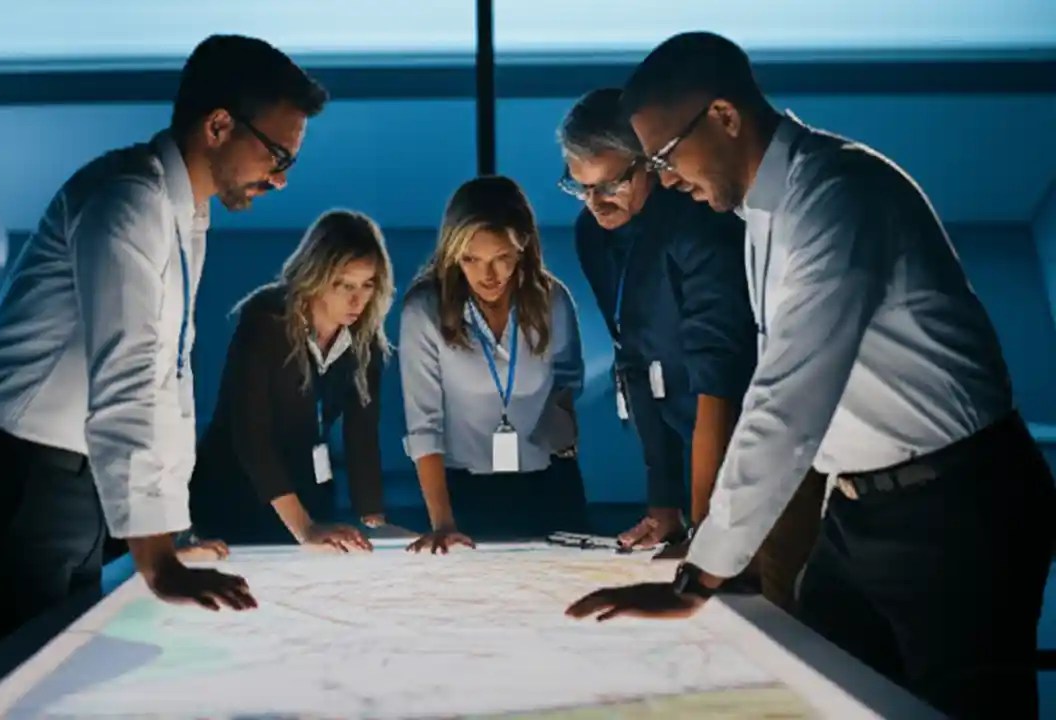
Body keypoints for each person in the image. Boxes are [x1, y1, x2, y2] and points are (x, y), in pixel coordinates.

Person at [565, 31, 1056, 719]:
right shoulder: (762, 209)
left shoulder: (836, 195)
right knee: (810, 685)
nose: (666, 180)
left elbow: (787, 400)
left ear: (725, 117)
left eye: (666, 158)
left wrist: (701, 573)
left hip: (957, 505)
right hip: (860, 508)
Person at [0, 34, 327, 674]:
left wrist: (172, 530)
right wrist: (156, 558)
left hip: (68, 481)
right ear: (219, 125)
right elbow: (129, 378)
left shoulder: (183, 211)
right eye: (277, 154)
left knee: (61, 678)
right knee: (6, 689)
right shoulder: (128, 201)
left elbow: (172, 379)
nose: (279, 178)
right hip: (16, 481)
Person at [559, 88, 824, 612]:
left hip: (760, 448)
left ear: (651, 162)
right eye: (580, 188)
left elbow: (718, 378)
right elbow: (631, 358)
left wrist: (706, 531)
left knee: (767, 612)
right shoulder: (591, 232)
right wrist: (665, 505)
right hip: (688, 426)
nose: (596, 204)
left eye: (612, 185)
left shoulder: (700, 222)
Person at [400, 175, 586, 552]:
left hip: (549, 484)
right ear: (453, 255)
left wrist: (561, 422)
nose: (489, 276)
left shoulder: (553, 300)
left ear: (523, 249)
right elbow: (424, 423)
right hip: (461, 493)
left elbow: (568, 376)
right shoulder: (425, 310)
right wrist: (443, 522)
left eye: (502, 258)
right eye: (471, 260)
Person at [189, 210, 394, 551]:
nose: (357, 300)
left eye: (367, 285)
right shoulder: (266, 320)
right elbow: (250, 436)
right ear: (316, 276)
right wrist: (304, 529)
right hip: (234, 493)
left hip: (306, 492)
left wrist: (374, 524)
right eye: (344, 285)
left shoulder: (364, 339)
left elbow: (362, 435)